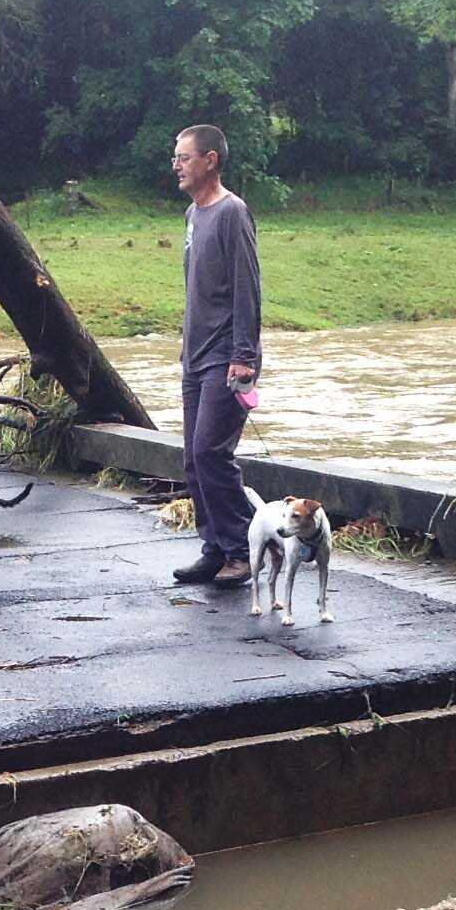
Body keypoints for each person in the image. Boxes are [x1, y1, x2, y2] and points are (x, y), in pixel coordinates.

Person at [169, 123, 262, 589]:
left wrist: (244, 356)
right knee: (192, 458)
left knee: (211, 452)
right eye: (176, 158)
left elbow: (248, 288)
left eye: (185, 157)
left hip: (228, 356)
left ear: (211, 160)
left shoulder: (233, 213)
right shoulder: (192, 214)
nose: (177, 165)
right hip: (196, 354)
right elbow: (196, 289)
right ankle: (216, 547)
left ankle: (246, 546)